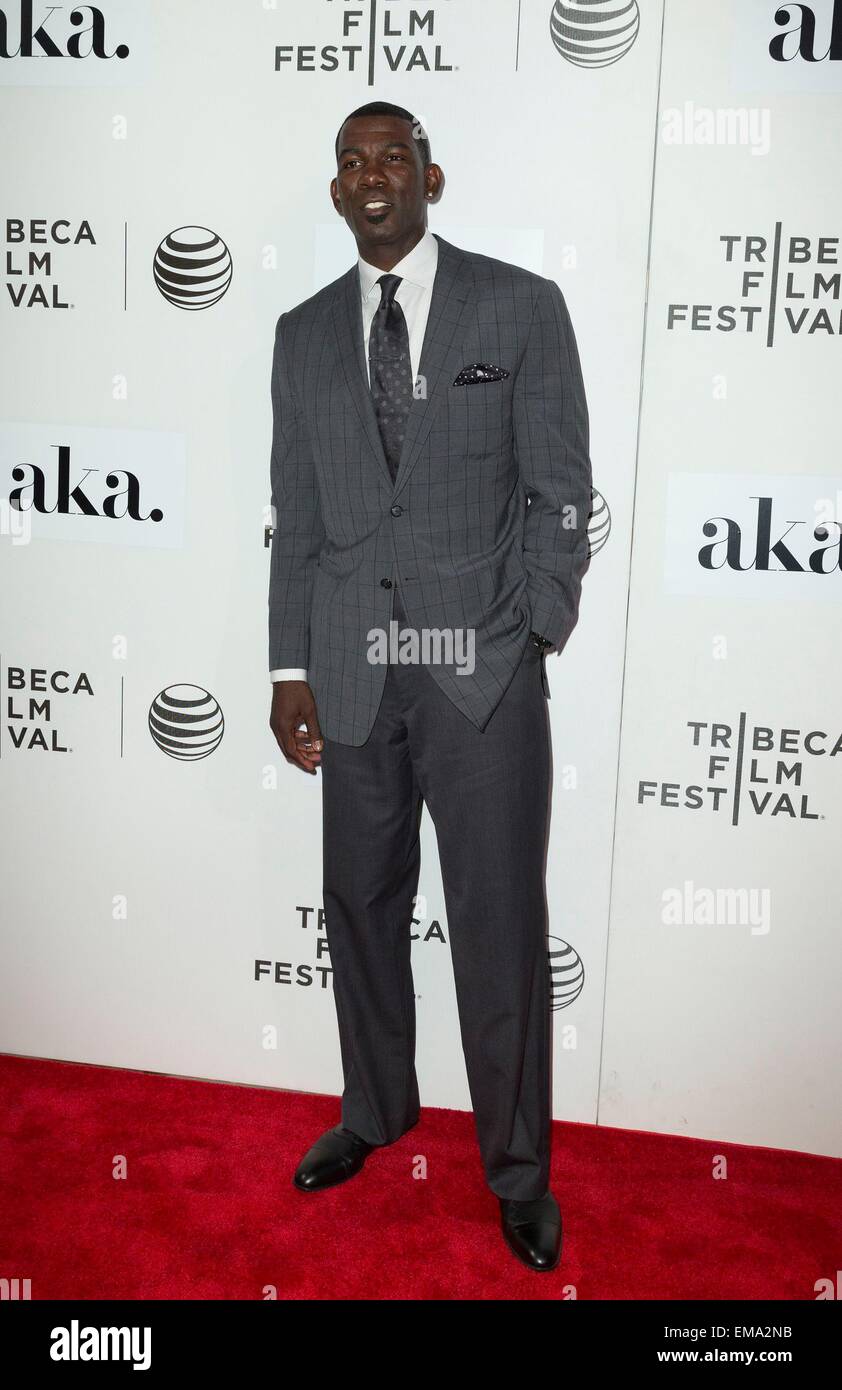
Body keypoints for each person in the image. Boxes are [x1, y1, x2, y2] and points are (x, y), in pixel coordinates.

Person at [268, 101, 592, 1271]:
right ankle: (374, 1109)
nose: (370, 176)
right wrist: (288, 664)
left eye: (390, 156)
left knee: (498, 925)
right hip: (352, 671)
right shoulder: (302, 334)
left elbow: (559, 488)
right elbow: (296, 515)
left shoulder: (518, 305)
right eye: (350, 160)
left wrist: (533, 628)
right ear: (335, 189)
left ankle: (515, 1172)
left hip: (479, 675)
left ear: (430, 176)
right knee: (358, 903)